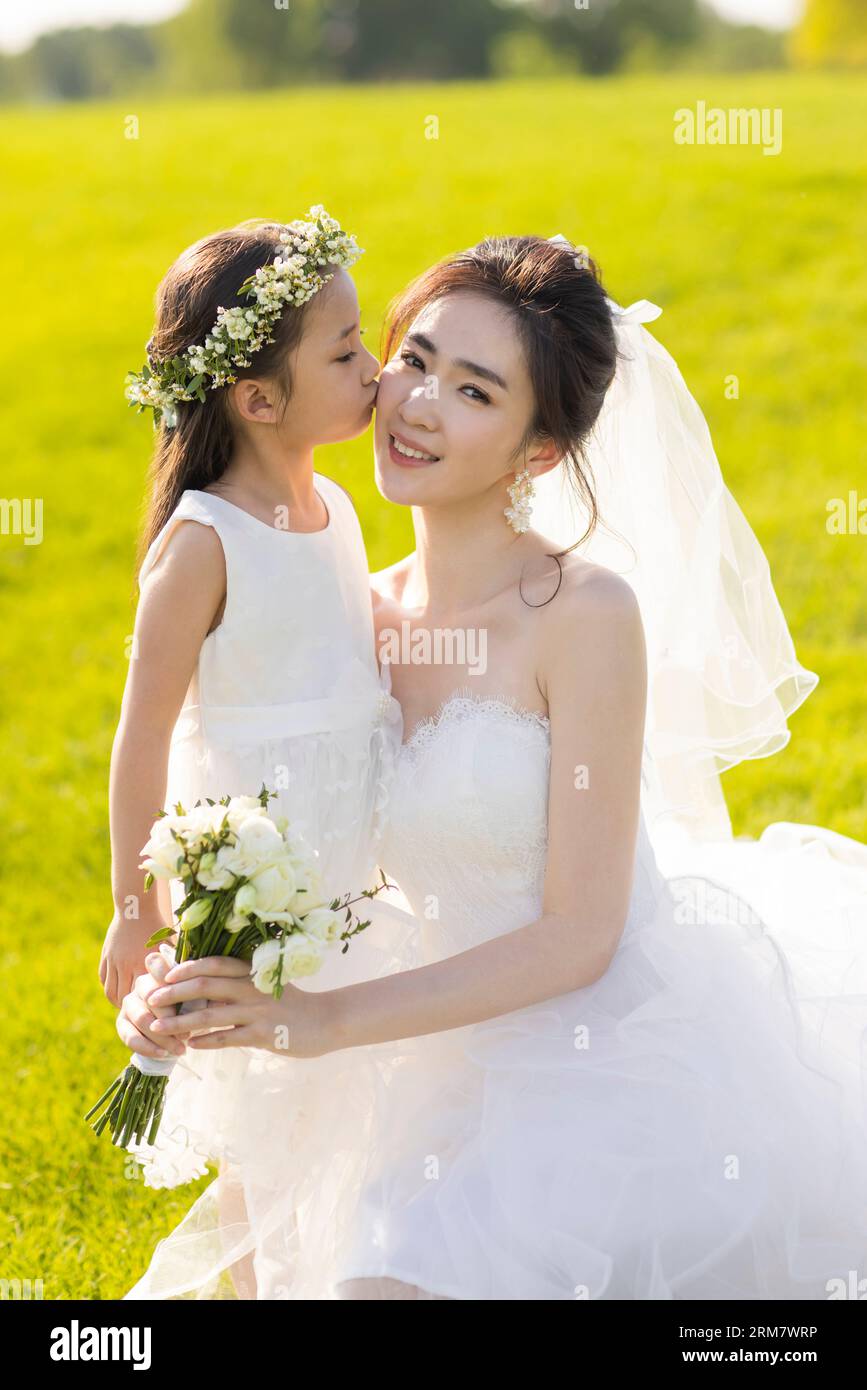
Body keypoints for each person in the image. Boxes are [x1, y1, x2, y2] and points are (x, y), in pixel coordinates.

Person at [120, 233, 867, 1301]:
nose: (416, 403)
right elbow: (261, 828)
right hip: (415, 1044)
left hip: (591, 1051)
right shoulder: (348, 604)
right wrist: (188, 974)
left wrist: (323, 1023)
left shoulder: (582, 615)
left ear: (539, 454)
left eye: (473, 391)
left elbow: (580, 934)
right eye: (412, 359)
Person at [100, 206, 402, 1295]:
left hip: (348, 882)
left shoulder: (340, 509)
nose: (376, 368)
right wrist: (138, 907)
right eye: (345, 351)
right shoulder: (203, 543)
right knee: (266, 1136)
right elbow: (143, 737)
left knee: (345, 1111)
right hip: (258, 888)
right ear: (259, 396)